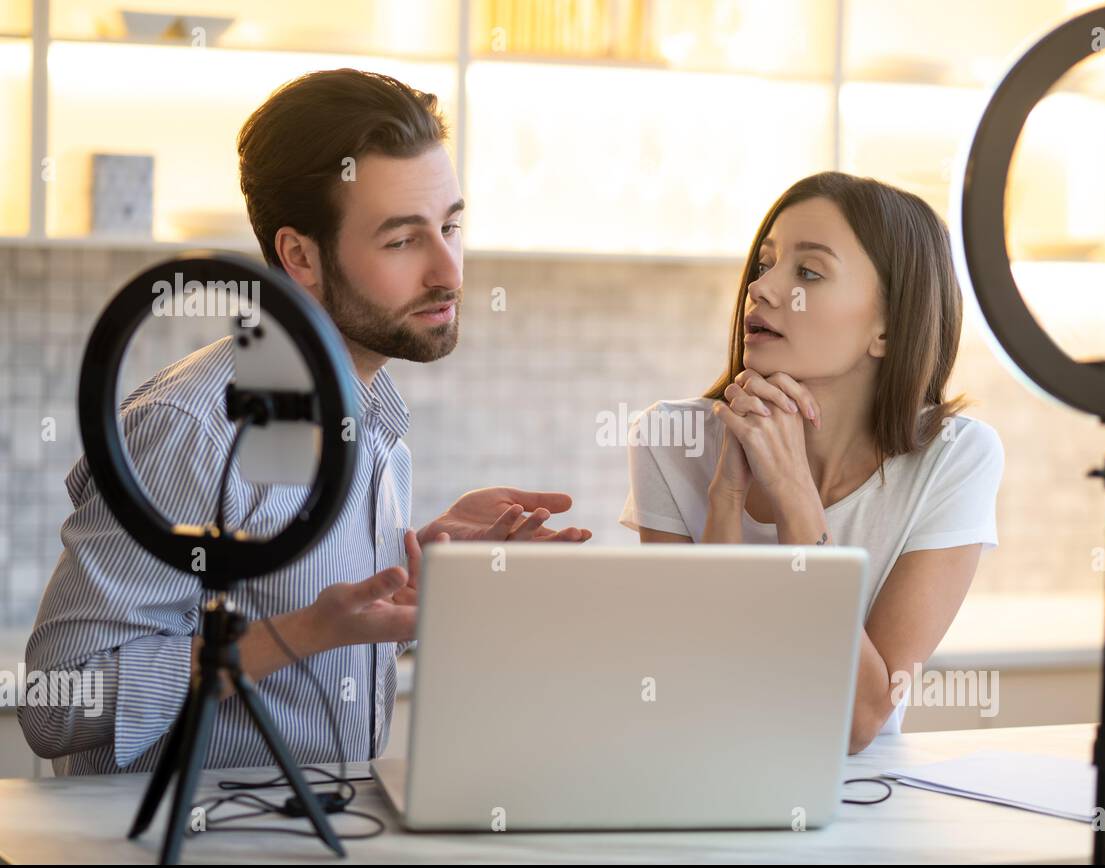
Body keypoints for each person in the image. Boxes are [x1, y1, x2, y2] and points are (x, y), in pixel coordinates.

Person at [21, 69, 590, 775]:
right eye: (403, 241)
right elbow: (53, 704)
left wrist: (401, 580)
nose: (449, 272)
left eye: (450, 227)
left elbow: (315, 646)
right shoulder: (194, 427)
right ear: (299, 257)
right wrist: (307, 629)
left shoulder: (373, 420)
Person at [620, 172, 1004, 753]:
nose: (763, 288)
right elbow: (702, 692)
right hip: (702, 779)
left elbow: (855, 721)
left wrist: (797, 497)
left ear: (888, 328)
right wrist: (724, 502)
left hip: (865, 804)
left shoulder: (956, 459)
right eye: (765, 264)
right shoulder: (672, 440)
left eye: (808, 272)